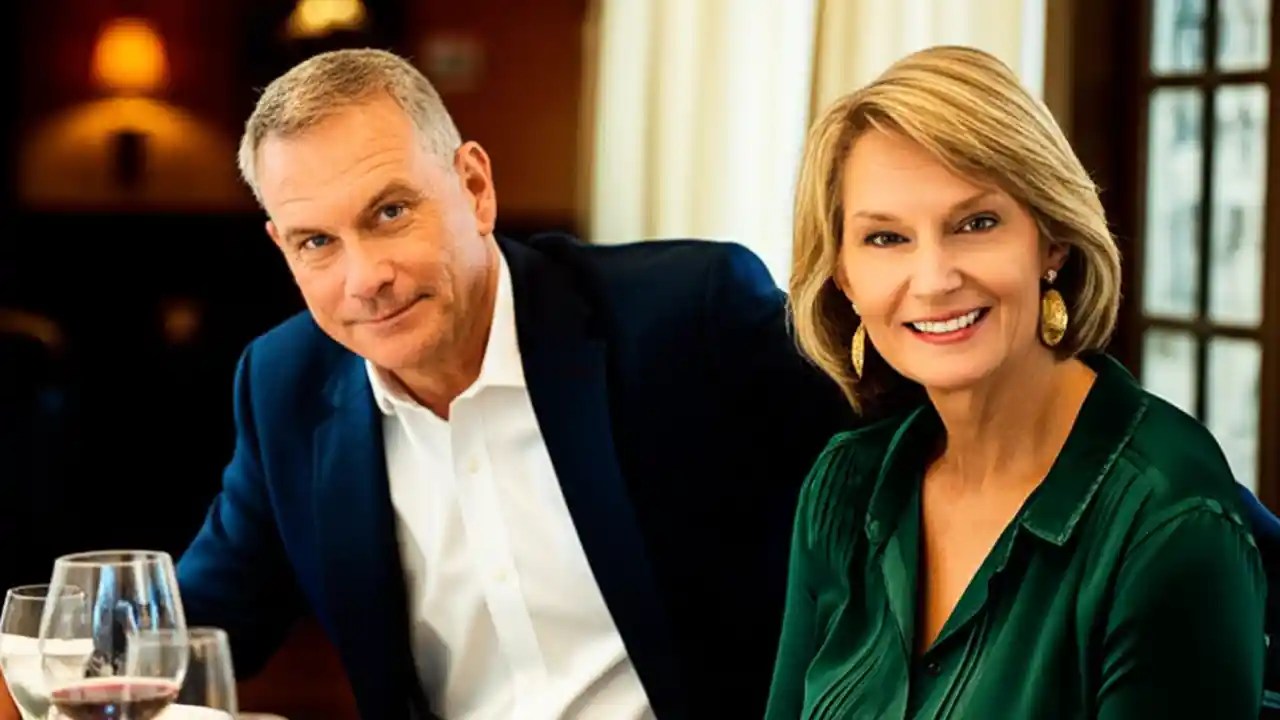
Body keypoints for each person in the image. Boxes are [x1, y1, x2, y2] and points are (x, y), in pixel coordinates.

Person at [173, 48, 850, 720]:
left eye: (389, 213)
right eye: (316, 242)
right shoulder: (285, 385)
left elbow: (893, 512)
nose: (364, 279)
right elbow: (193, 631)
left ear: (475, 188)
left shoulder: (687, 319)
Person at [765, 45, 1266, 719]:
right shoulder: (844, 489)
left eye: (976, 224)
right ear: (845, 277)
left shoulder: (1168, 520)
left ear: (1051, 241)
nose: (935, 278)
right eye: (886, 239)